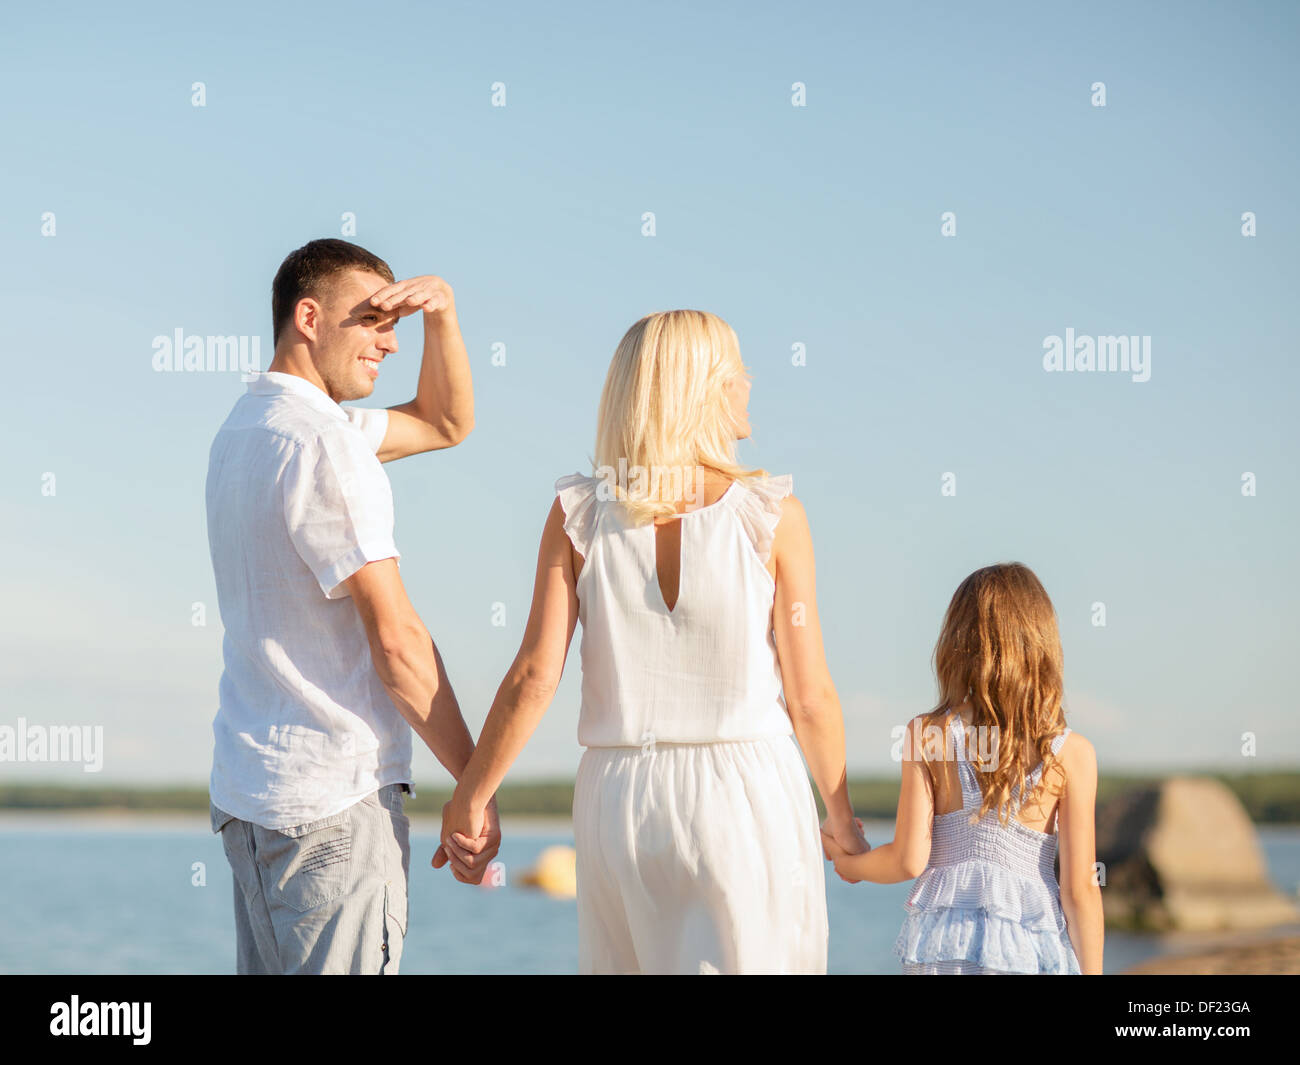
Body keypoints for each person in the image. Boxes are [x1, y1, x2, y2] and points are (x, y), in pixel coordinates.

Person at [437, 309, 867, 974]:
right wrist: (839, 815)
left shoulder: (578, 511)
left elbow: (534, 674)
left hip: (617, 797)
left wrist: (471, 794)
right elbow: (810, 697)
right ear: (705, 386)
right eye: (736, 370)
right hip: (744, 790)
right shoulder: (773, 515)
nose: (748, 382)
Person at [205, 238, 499, 975]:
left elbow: (444, 423)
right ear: (308, 317)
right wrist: (474, 783)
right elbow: (397, 643)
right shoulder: (324, 444)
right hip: (332, 805)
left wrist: (444, 317)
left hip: (255, 798)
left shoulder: (247, 430)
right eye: (372, 320)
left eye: (395, 323)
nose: (389, 343)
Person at [823, 563, 1105, 974]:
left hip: (944, 951)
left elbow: (907, 860)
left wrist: (850, 864)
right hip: (1028, 953)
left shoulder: (929, 734)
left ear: (957, 642)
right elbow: (1080, 888)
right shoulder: (1072, 752)